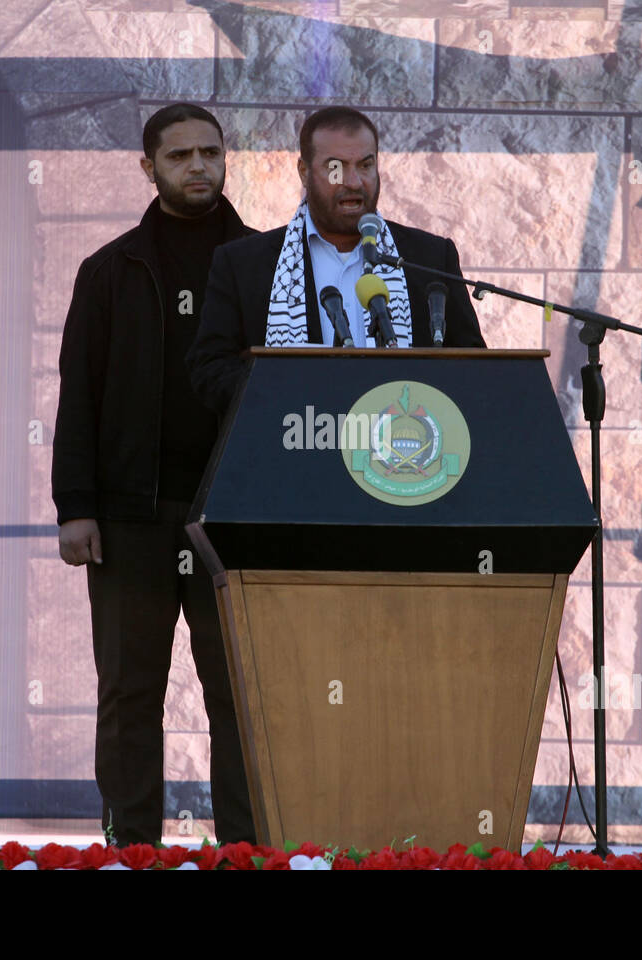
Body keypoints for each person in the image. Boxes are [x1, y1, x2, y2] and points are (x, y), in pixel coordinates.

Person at [52, 103, 256, 846]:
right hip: (131, 515)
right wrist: (75, 506)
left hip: (234, 517)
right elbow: (81, 393)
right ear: (149, 168)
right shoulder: (110, 270)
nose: (199, 166)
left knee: (238, 694)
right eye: (180, 156)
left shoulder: (267, 265)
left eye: (210, 152)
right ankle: (130, 848)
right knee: (130, 692)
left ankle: (246, 850)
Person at [187, 106, 486, 415]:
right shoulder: (244, 263)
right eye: (336, 168)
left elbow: (475, 365)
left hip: (406, 451)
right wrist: (287, 394)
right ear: (304, 172)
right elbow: (210, 368)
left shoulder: (430, 258)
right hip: (294, 446)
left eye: (366, 165)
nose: (354, 182)